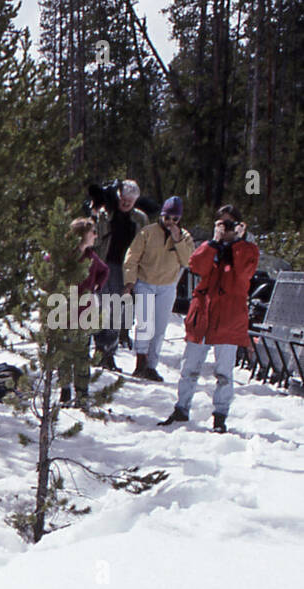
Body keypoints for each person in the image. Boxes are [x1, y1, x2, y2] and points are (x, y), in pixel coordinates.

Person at [158, 205, 259, 433]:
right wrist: (213, 242)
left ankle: (220, 416)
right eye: (222, 223)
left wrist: (238, 243)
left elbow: (244, 274)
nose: (226, 228)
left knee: (224, 372)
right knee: (189, 368)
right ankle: (181, 409)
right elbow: (196, 266)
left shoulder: (248, 249)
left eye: (230, 224)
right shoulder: (208, 247)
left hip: (229, 318)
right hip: (203, 315)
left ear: (239, 226)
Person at [123, 196, 194, 382]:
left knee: (160, 327)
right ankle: (140, 361)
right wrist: (129, 282)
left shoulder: (184, 236)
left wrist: (177, 240)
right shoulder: (147, 232)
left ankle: (152, 365)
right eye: (167, 217)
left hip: (167, 285)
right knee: (144, 323)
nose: (170, 222)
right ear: (162, 215)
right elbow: (132, 257)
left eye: (175, 219)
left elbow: (188, 261)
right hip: (145, 282)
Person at [92, 179, 149, 369]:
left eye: (130, 200)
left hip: (124, 268)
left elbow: (145, 245)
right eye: (123, 199)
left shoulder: (140, 219)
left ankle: (108, 353)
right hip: (102, 264)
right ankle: (99, 350)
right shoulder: (105, 213)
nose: (126, 203)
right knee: (100, 308)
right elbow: (96, 238)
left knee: (116, 311)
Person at [53, 217, 107, 408]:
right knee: (65, 353)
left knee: (82, 353)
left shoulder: (91, 256)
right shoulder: (65, 255)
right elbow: (47, 265)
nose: (95, 236)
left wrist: (97, 286)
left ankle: (82, 393)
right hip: (64, 310)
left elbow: (104, 270)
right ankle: (65, 390)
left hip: (84, 312)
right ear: (83, 234)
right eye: (92, 232)